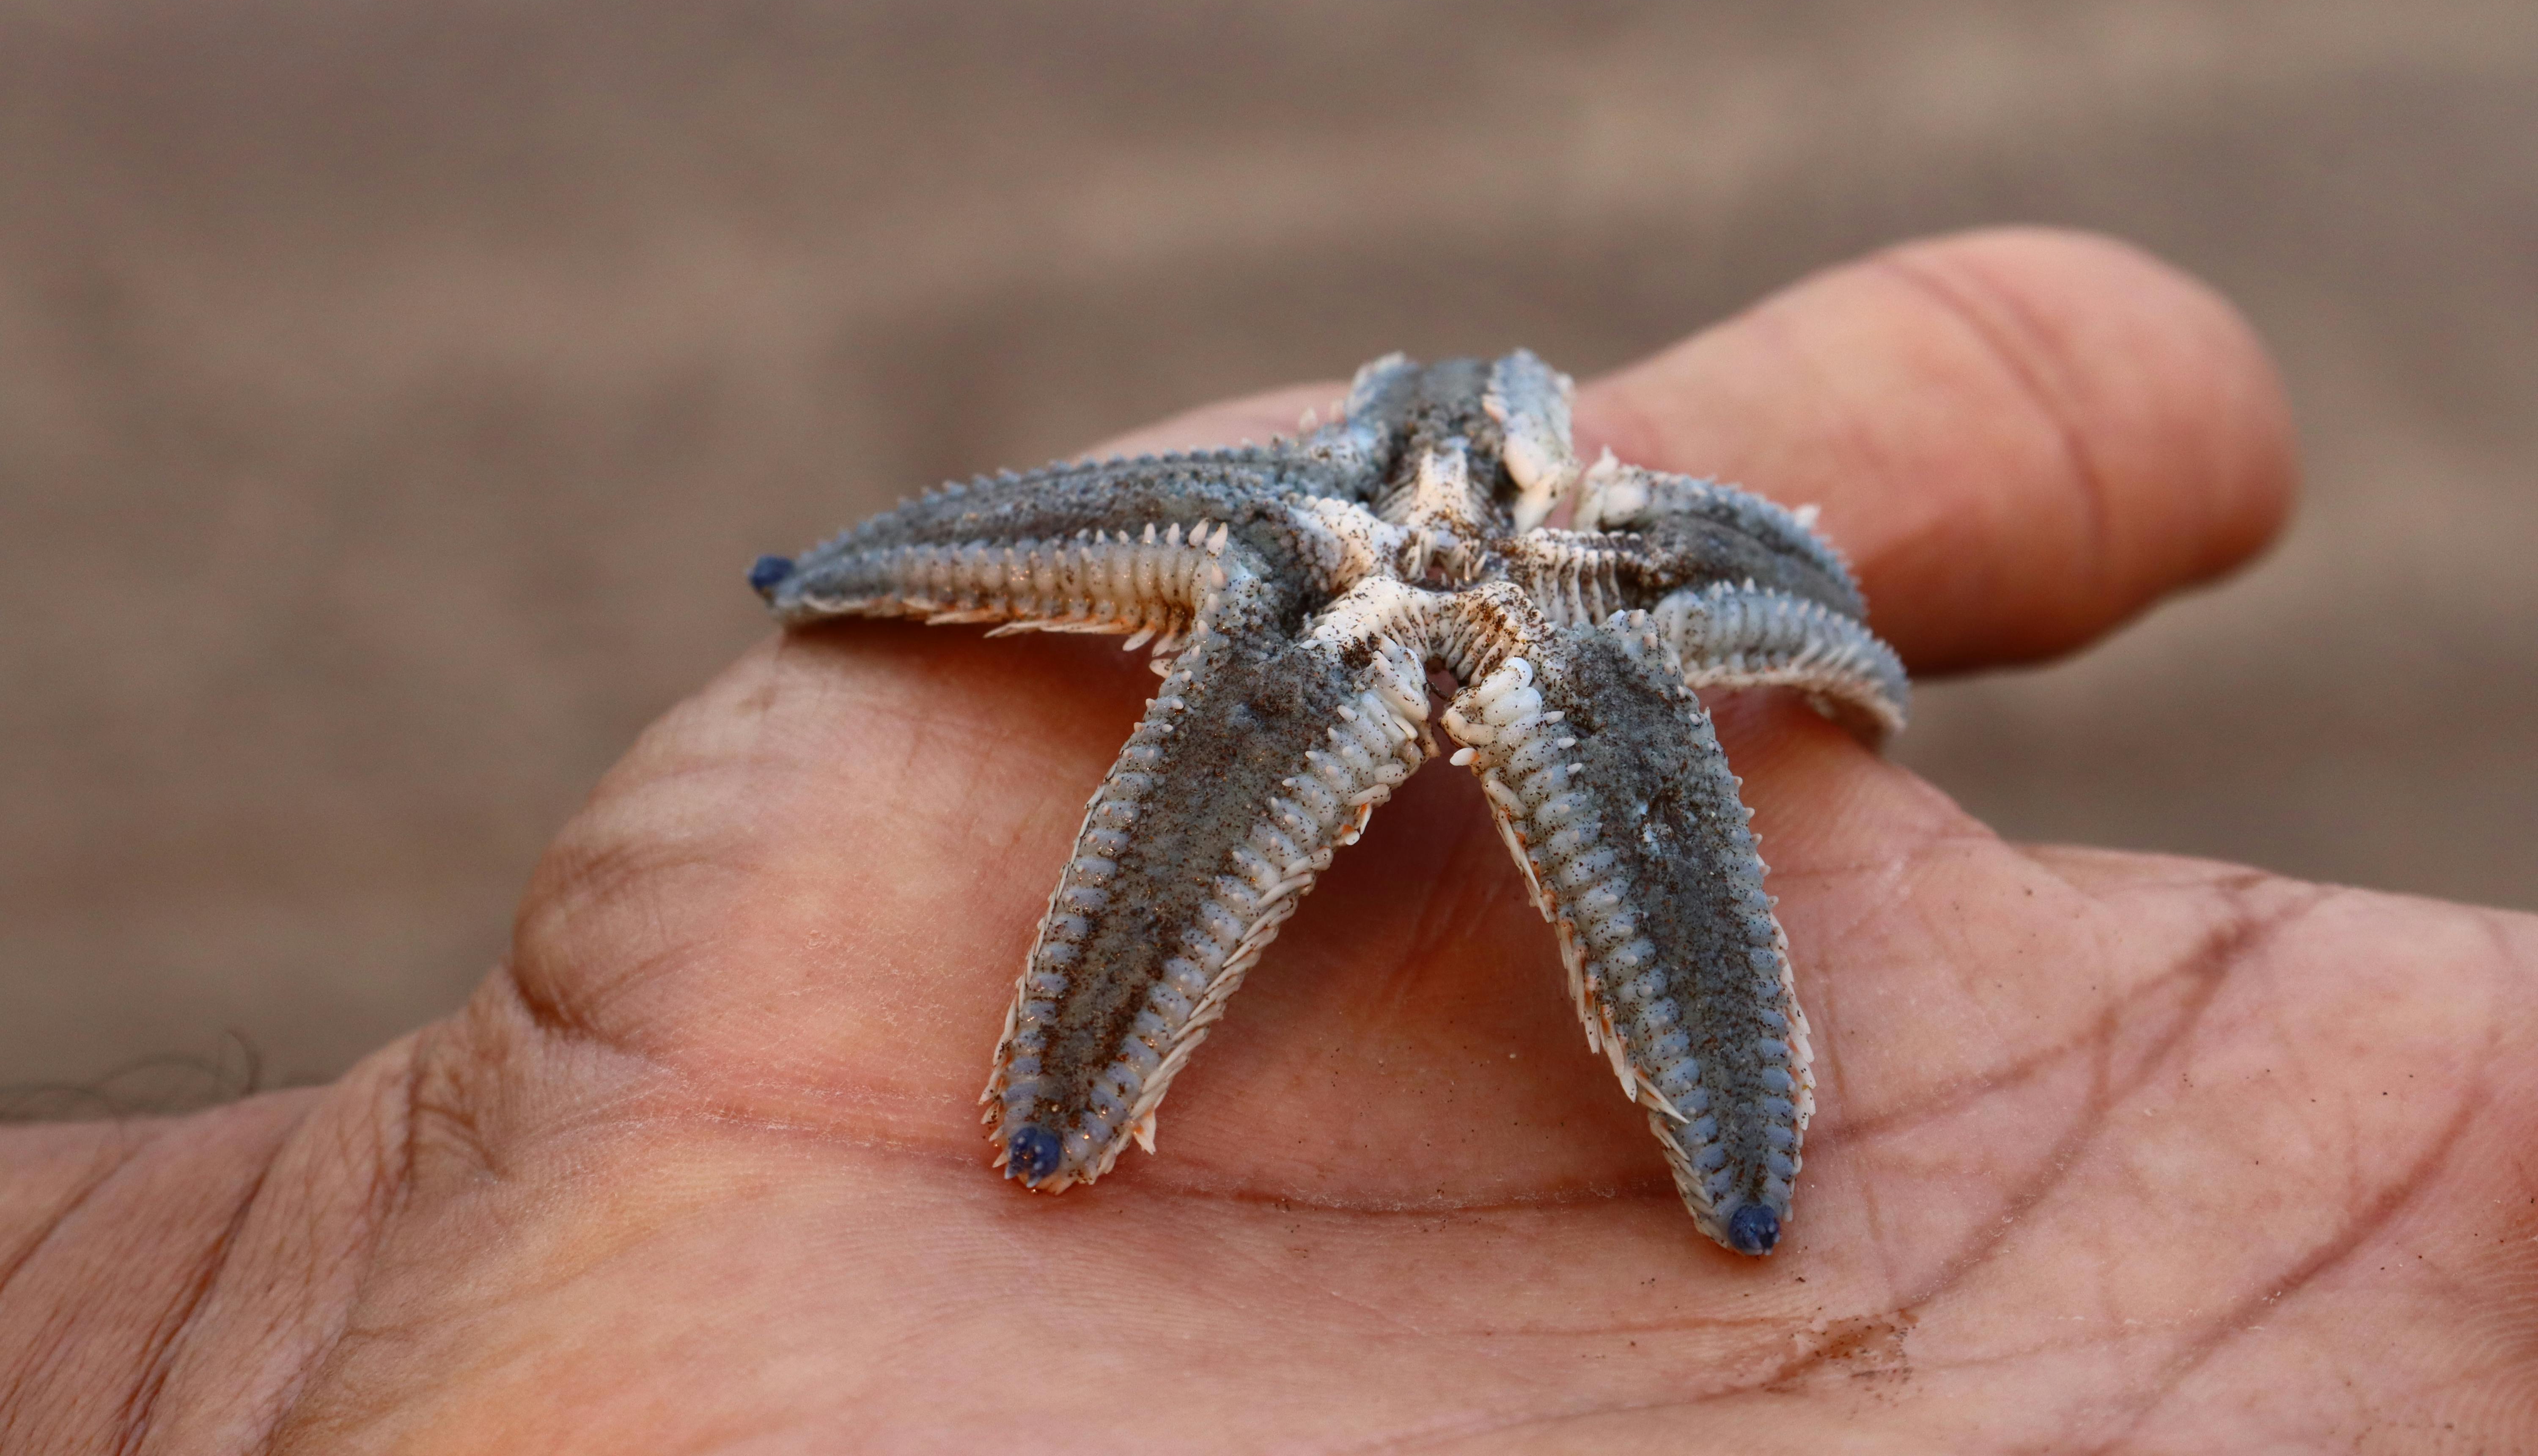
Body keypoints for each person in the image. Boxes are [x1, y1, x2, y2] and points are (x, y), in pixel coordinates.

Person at [5, 229, 2530, 1452]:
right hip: (1324, 578)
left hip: (1533, 576)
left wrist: (227, 1324)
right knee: (1116, 989)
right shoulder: (1322, 531)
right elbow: (1382, 442)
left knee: (1718, 1025)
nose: (1454, 479)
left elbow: (1797, 615)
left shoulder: (1619, 561)